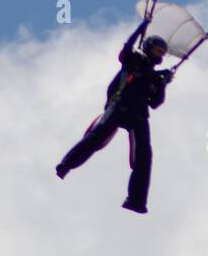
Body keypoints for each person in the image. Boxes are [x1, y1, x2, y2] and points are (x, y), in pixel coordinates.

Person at [55, 21, 174, 213]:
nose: (158, 55)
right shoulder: (133, 60)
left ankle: (136, 201)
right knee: (97, 137)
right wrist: (143, 26)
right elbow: (127, 47)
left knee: (144, 156)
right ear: (147, 48)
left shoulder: (155, 78)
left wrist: (164, 84)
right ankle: (65, 165)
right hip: (119, 107)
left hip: (139, 116)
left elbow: (155, 103)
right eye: (156, 50)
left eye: (162, 52)